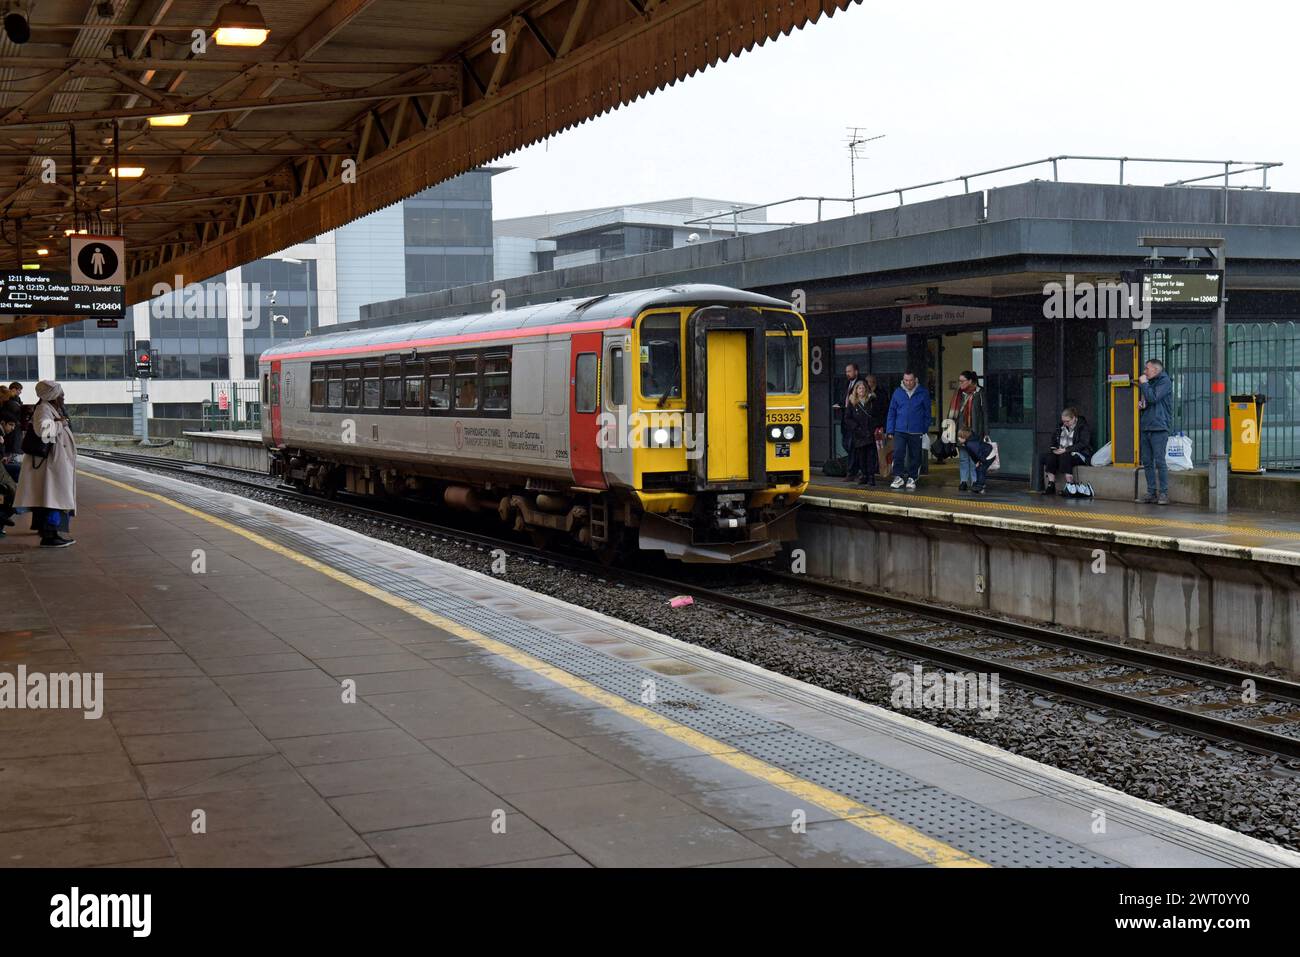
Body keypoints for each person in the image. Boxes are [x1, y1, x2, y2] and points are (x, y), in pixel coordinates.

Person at [15, 381, 77, 547]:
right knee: (52, 498)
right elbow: (44, 431)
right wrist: (60, 423)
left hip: (52, 463)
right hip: (50, 464)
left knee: (51, 498)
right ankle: (49, 536)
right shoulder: (43, 408)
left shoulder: (50, 408)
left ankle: (51, 533)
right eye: (60, 394)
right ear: (53, 396)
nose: (63, 397)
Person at [885, 370, 932, 491]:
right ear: (903, 380)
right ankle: (898, 477)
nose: (908, 383)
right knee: (898, 454)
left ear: (915, 380)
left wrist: (924, 428)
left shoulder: (923, 393)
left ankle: (912, 477)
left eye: (911, 380)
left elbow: (928, 413)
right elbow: (892, 412)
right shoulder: (897, 392)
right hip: (899, 430)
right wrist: (890, 430)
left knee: (915, 455)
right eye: (906, 380)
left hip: (917, 430)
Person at [1137, 358, 1173, 505]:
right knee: (1147, 461)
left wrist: (1144, 384)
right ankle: (1151, 492)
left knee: (1159, 461)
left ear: (1156, 370)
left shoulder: (1165, 382)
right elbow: (1148, 401)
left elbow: (1154, 397)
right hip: (1146, 426)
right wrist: (1141, 406)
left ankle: (1163, 493)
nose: (1144, 371)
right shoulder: (1149, 383)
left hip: (1159, 427)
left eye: (1147, 368)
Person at [1038, 406, 1094, 495]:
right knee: (1050, 456)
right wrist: (1054, 448)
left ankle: (1070, 485)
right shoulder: (1060, 426)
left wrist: (1066, 449)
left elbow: (1083, 444)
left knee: (1066, 455)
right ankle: (1051, 484)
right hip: (1062, 451)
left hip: (1079, 454)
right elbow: (1054, 440)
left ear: (1074, 418)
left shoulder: (1083, 427)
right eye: (1063, 421)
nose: (1065, 423)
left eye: (1067, 421)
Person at [947, 371, 987, 492]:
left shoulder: (979, 393)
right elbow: (952, 413)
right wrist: (949, 430)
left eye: (962, 381)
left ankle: (975, 481)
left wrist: (985, 432)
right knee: (964, 457)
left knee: (974, 458)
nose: (960, 383)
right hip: (961, 431)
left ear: (970, 381)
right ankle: (963, 481)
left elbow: (985, 414)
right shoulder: (959, 393)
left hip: (975, 431)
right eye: (959, 381)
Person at [844, 381, 879, 485]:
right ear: (856, 390)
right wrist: (856, 427)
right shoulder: (852, 402)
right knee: (861, 457)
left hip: (870, 433)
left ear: (866, 389)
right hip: (858, 434)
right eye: (859, 388)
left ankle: (871, 477)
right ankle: (864, 475)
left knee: (871, 456)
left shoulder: (872, 401)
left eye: (863, 388)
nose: (861, 390)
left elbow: (877, 415)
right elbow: (847, 418)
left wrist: (874, 427)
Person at [832, 362, 867, 457]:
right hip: (845, 417)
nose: (847, 373)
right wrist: (839, 404)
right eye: (846, 371)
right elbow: (844, 397)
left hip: (855, 419)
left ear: (856, 372)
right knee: (845, 442)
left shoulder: (861, 383)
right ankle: (853, 461)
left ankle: (854, 464)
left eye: (849, 371)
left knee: (853, 444)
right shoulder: (847, 383)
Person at [957, 427, 997, 494]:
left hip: (988, 455)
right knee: (979, 469)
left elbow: (978, 454)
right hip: (986, 454)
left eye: (960, 437)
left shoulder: (971, 444)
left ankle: (980, 486)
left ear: (964, 437)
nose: (958, 438)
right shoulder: (968, 443)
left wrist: (982, 462)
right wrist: (977, 462)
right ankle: (980, 484)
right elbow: (973, 455)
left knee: (981, 469)